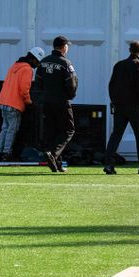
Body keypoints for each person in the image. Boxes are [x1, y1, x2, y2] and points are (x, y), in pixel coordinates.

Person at [32, 35, 78, 173]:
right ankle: (53, 152)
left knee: (54, 132)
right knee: (69, 130)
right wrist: (70, 96)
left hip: (46, 103)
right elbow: (71, 83)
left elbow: (37, 83)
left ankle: (57, 164)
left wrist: (39, 100)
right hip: (61, 102)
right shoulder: (65, 63)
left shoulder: (43, 62)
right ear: (64, 47)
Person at [106, 40, 139, 175]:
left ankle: (109, 164)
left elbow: (111, 85)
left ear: (129, 50)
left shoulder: (119, 65)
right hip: (135, 106)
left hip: (120, 105)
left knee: (116, 135)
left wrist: (114, 101)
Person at [0, 46, 44, 161]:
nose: (37, 65)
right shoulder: (27, 69)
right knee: (12, 130)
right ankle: (6, 153)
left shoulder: (14, 66)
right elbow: (24, 90)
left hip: (3, 102)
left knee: (5, 128)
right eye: (37, 62)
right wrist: (29, 102)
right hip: (14, 104)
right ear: (33, 59)